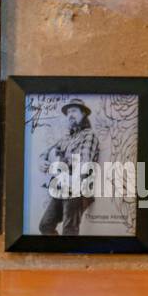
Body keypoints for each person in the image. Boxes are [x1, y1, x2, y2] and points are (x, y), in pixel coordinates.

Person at [37, 99, 100, 236]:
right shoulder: (66, 138)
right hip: (63, 187)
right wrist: (42, 161)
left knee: (69, 231)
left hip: (78, 189)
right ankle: (58, 255)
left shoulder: (89, 135)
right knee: (45, 225)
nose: (70, 115)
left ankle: (68, 255)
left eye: (74, 111)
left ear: (83, 114)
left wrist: (61, 163)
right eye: (68, 112)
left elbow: (84, 165)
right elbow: (46, 153)